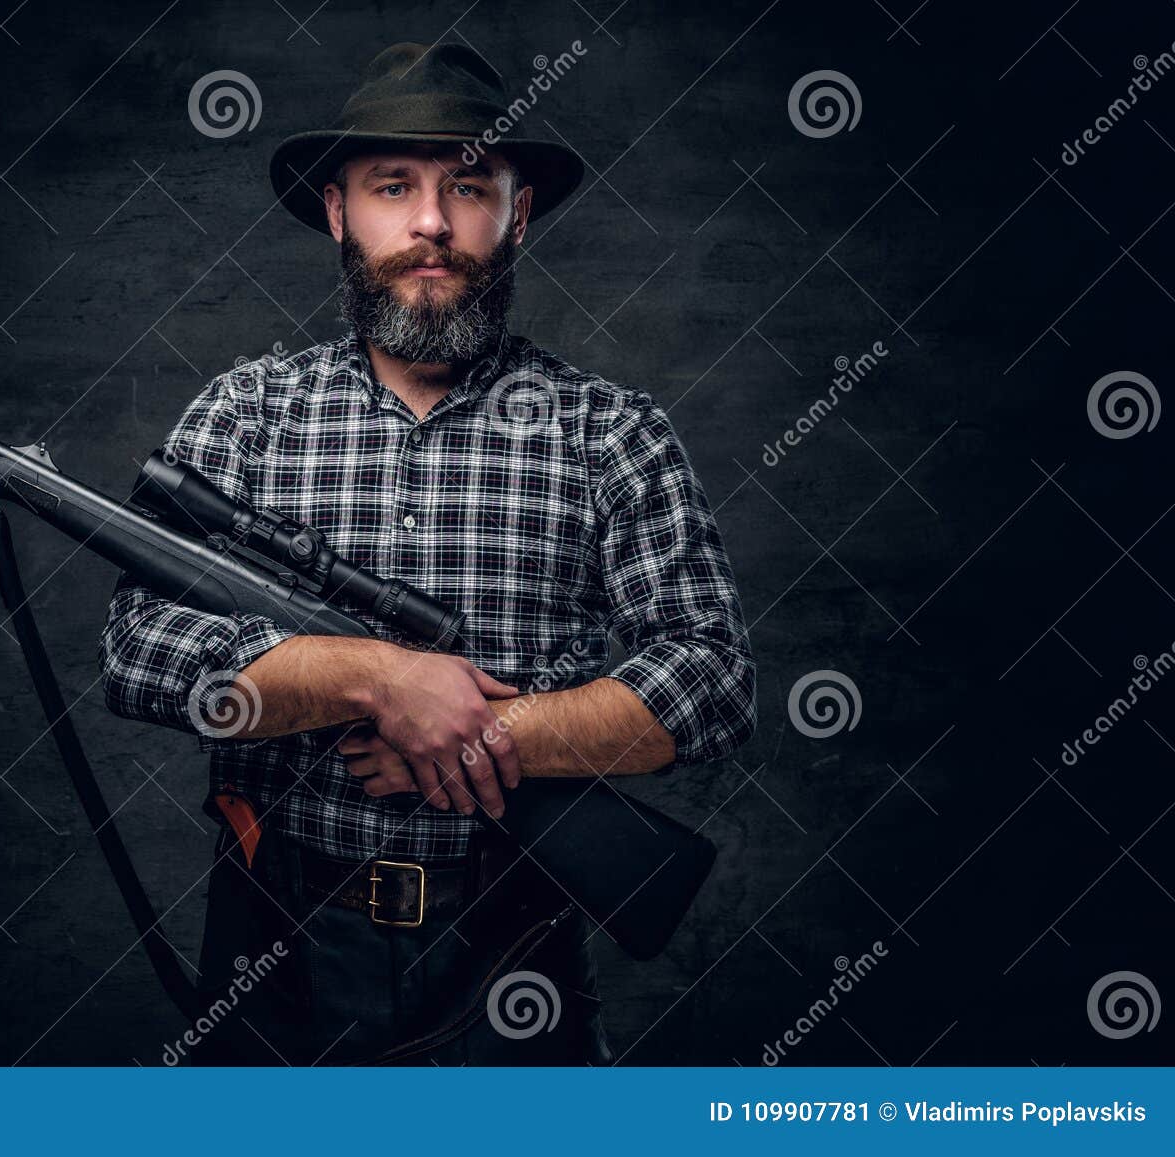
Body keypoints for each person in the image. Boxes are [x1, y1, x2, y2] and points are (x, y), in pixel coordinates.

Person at [99, 41, 756, 1065]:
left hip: (509, 960)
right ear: (336, 211)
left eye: (467, 187)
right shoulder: (245, 415)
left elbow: (711, 680)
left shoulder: (609, 430)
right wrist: (373, 678)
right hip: (278, 941)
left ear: (518, 211)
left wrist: (494, 732)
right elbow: (137, 653)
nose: (430, 225)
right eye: (391, 187)